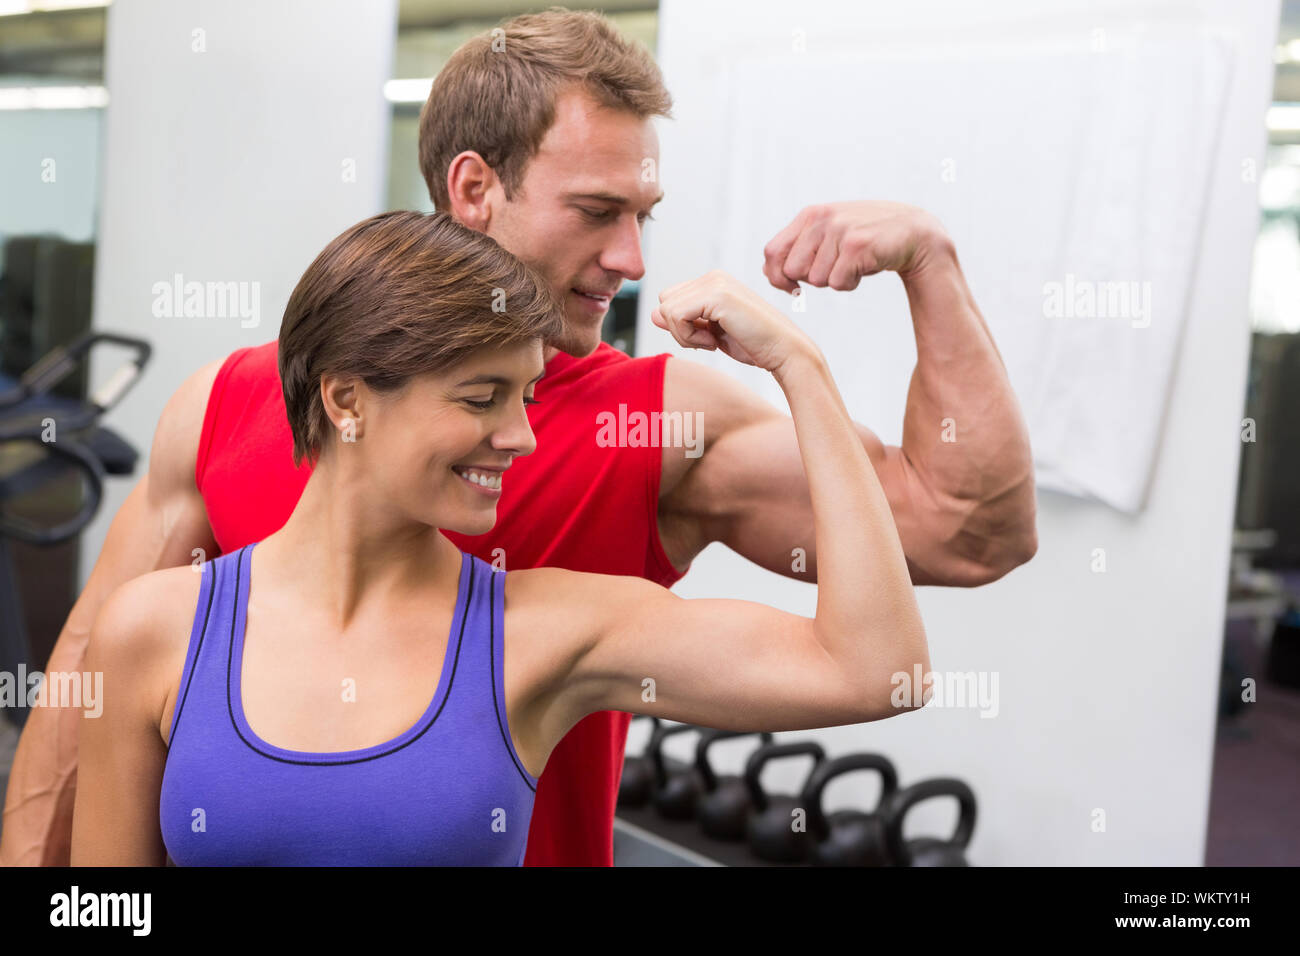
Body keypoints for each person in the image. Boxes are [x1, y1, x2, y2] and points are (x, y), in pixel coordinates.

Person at [3, 8, 1036, 867]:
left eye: (644, 214)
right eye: (595, 210)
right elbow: (89, 681)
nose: (629, 256)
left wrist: (927, 266)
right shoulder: (229, 400)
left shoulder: (659, 420)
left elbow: (966, 533)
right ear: (472, 187)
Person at [68, 210, 930, 865]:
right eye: (482, 399)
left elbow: (876, 672)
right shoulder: (156, 630)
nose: (520, 435)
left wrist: (802, 370)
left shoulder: (544, 633)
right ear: (346, 400)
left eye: (524, 396)